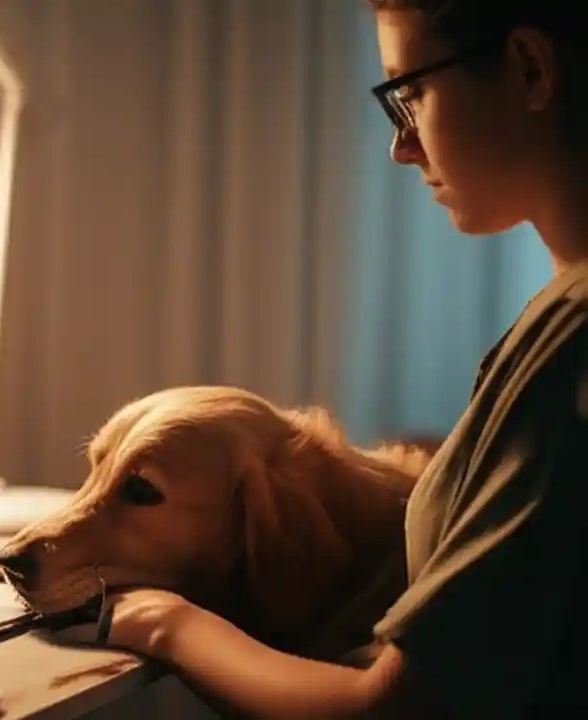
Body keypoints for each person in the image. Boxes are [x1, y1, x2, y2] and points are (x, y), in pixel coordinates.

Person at [88, 2, 588, 718]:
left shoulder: (574, 334)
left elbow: (395, 709)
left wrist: (169, 623)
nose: (402, 147)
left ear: (530, 69)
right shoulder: (558, 317)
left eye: (408, 93)